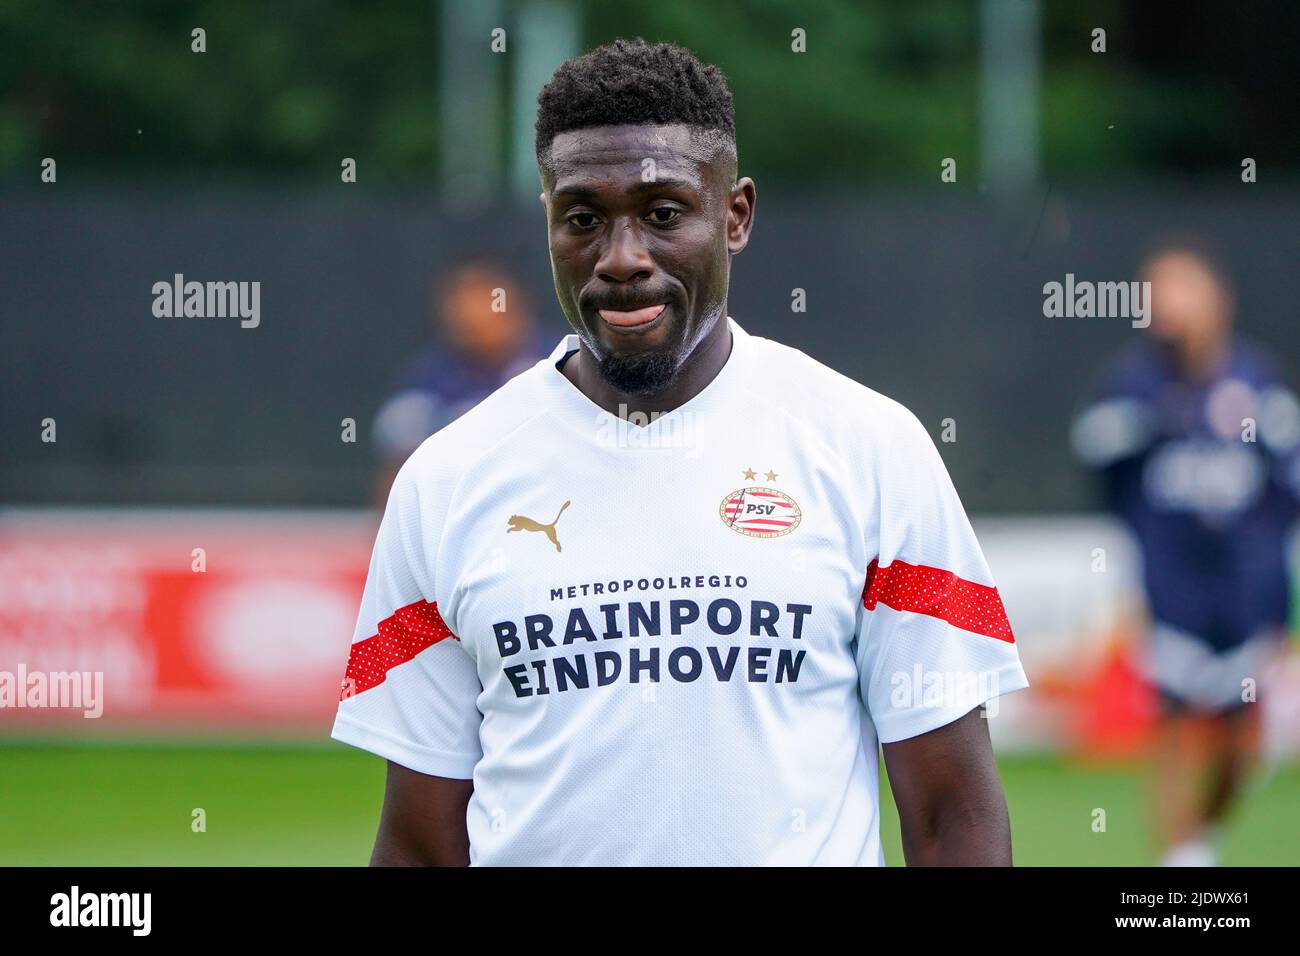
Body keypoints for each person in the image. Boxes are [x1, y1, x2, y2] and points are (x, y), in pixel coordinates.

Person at [332, 38, 1028, 866]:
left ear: (734, 216)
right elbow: (417, 843)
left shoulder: (867, 446)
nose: (621, 259)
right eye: (583, 218)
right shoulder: (446, 480)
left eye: (663, 214)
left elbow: (954, 812)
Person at [1072, 237, 1300, 866]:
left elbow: (1287, 488)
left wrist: (1282, 598)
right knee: (1171, 719)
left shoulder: (1257, 382)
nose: (1167, 305)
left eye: (1181, 289)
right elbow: (1100, 460)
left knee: (1240, 736)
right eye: (1156, 292)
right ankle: (1177, 864)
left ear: (1216, 300)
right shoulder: (1132, 385)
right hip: (1171, 586)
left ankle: (1201, 834)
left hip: (1247, 588)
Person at [370, 259, 541, 508]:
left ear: (515, 307)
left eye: (484, 300)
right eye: (459, 303)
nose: (470, 315)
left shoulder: (558, 363)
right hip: (459, 516)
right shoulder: (425, 381)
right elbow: (397, 474)